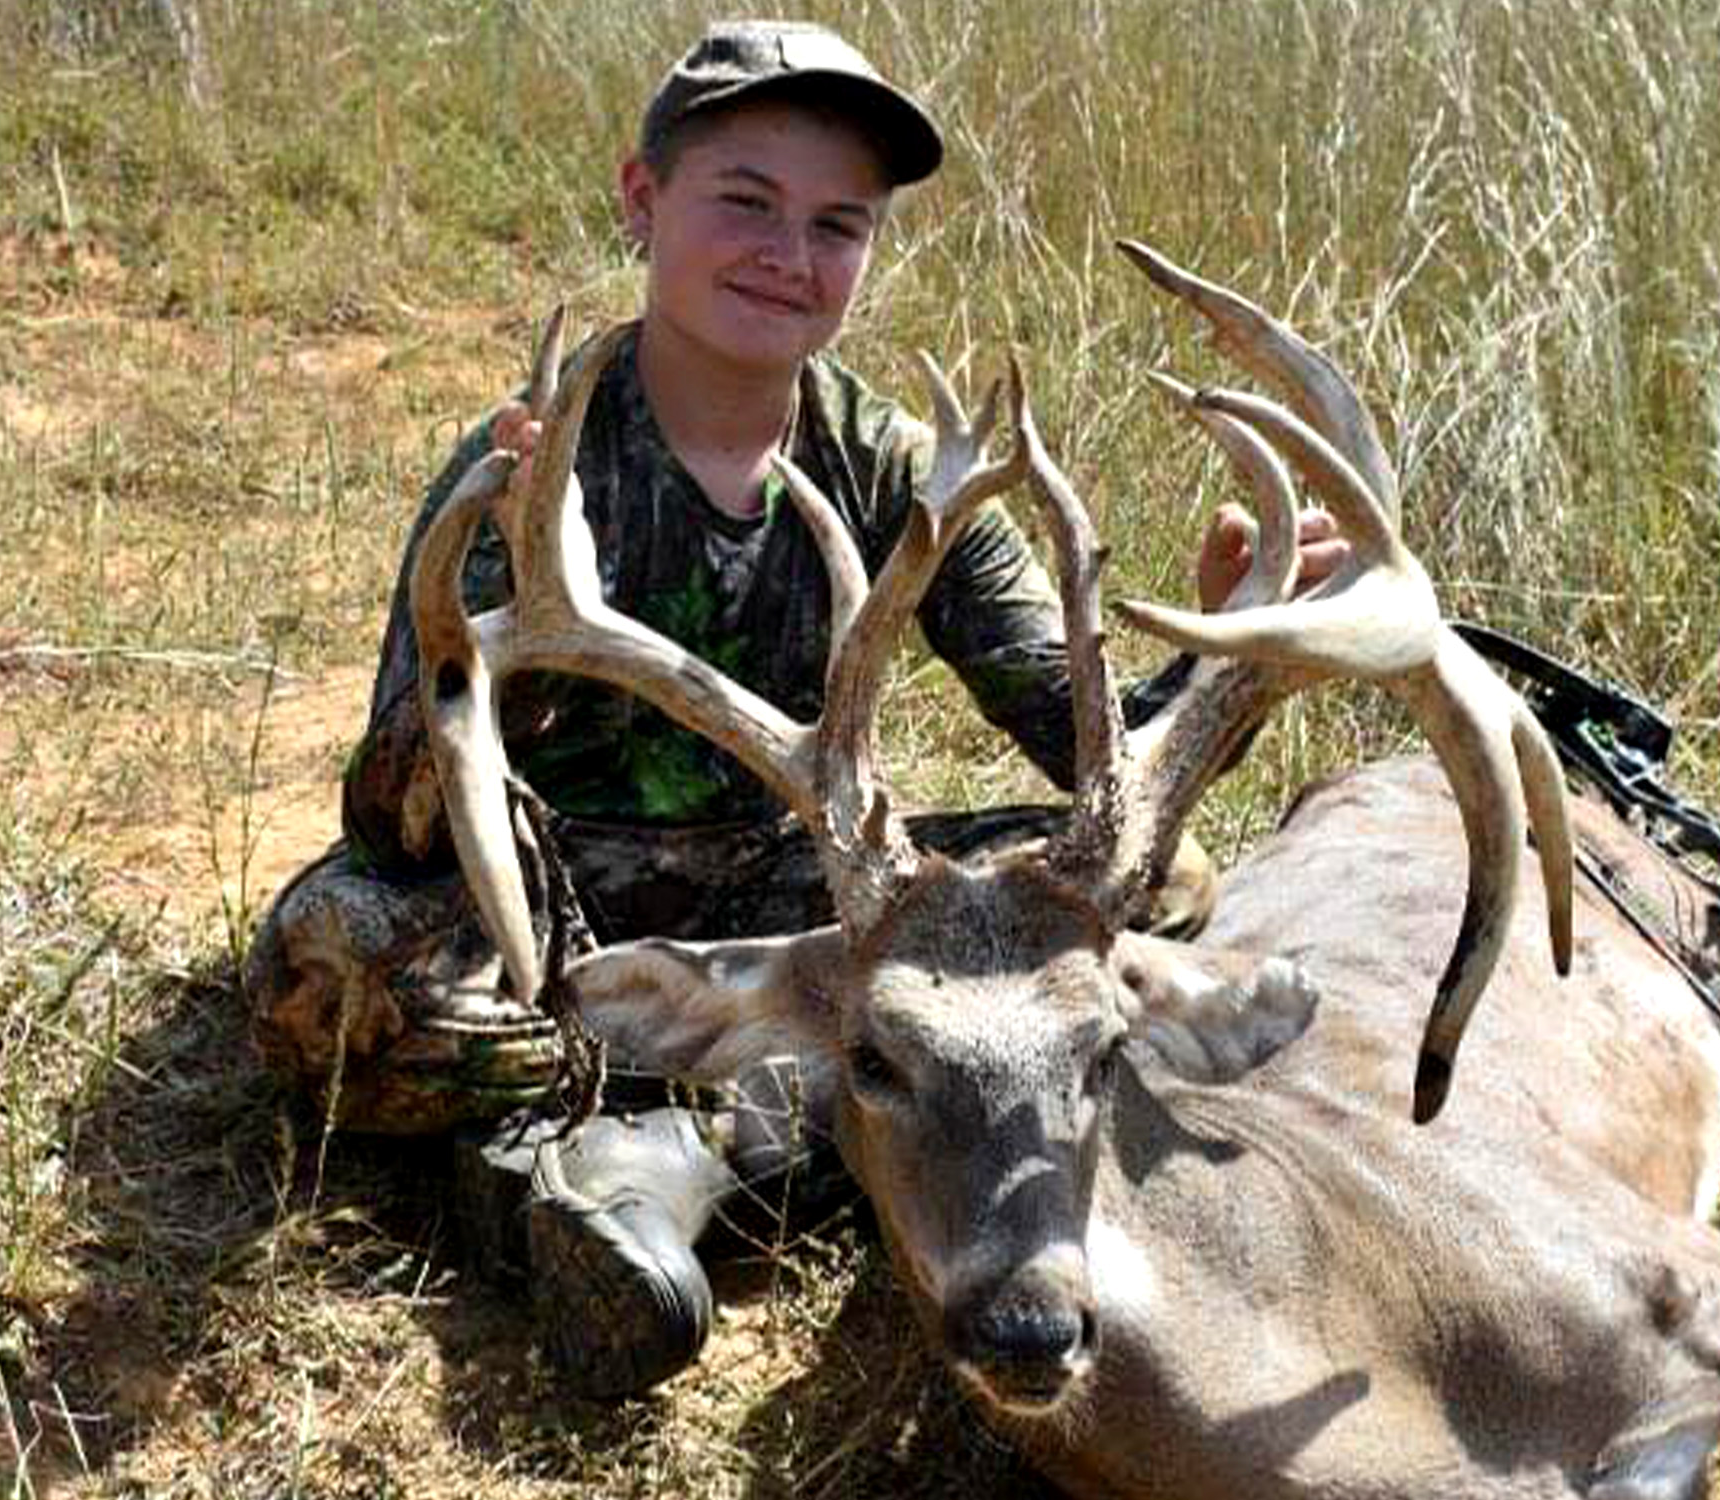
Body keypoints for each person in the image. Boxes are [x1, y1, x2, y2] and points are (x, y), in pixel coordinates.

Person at [245, 19, 1347, 1399]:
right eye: (745, 203)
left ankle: (659, 1152)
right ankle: (765, 1133)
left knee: (1160, 890)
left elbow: (1082, 755)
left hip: (812, 900)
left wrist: (1221, 650)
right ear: (643, 202)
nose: (790, 252)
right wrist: (508, 648)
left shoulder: (898, 467)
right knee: (331, 971)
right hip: (554, 907)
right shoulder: (534, 453)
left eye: (838, 223)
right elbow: (399, 817)